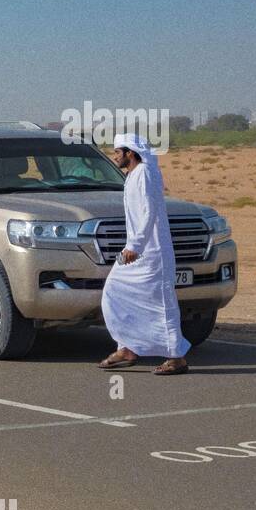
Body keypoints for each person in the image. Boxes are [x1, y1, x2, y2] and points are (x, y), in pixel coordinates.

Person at [97, 132, 191, 376]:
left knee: (161, 303)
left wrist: (135, 247)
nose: (114, 156)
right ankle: (127, 348)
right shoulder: (134, 175)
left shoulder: (145, 174)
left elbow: (148, 213)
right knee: (116, 292)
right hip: (137, 252)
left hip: (151, 252)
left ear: (130, 153)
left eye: (118, 152)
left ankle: (176, 357)